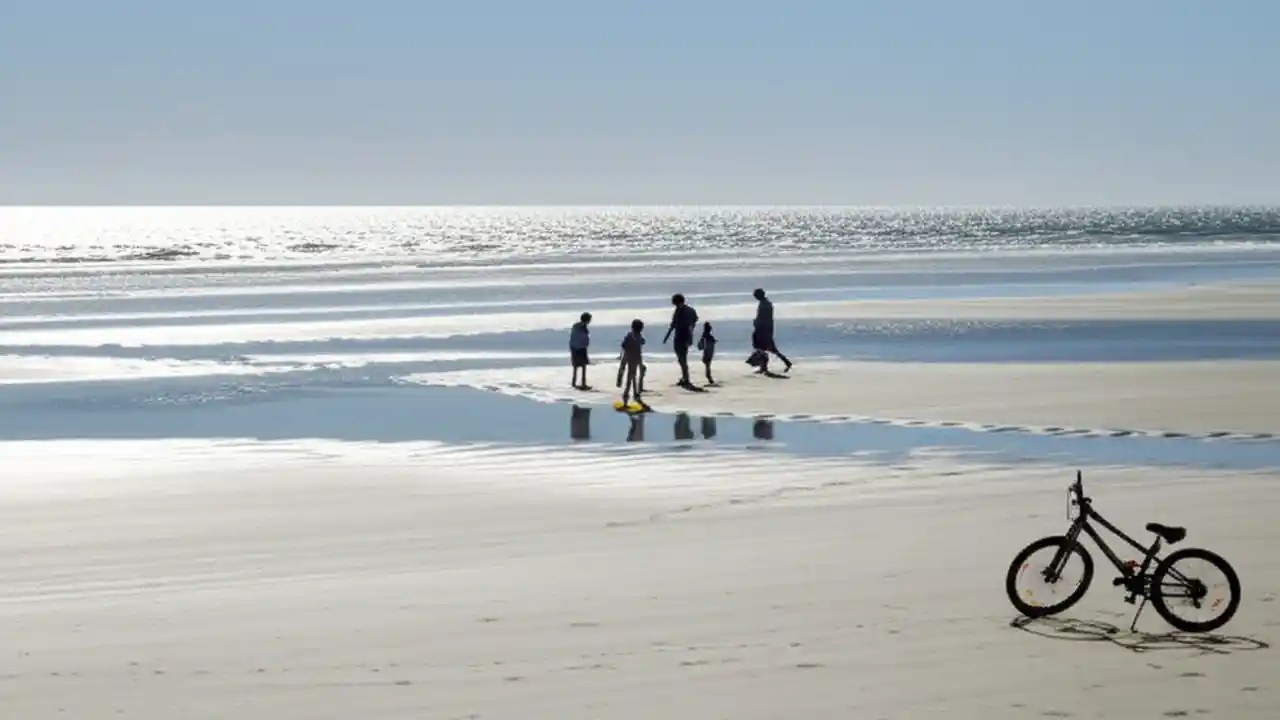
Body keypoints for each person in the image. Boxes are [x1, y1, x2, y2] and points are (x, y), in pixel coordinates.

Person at [662, 293, 699, 387]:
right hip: (681, 335)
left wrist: (690, 338)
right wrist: (668, 335)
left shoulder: (684, 311)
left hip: (682, 336)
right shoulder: (687, 310)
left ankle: (686, 378)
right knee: (682, 358)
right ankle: (685, 377)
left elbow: (689, 325)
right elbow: (674, 323)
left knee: (682, 358)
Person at [752, 288, 792, 374]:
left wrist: (757, 324)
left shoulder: (765, 305)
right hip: (766, 329)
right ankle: (764, 367)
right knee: (766, 349)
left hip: (764, 329)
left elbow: (763, 318)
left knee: (766, 349)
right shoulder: (765, 303)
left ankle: (766, 367)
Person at [617, 319, 648, 409]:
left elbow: (623, 345)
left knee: (629, 374)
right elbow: (642, 342)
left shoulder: (630, 335)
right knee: (632, 376)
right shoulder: (637, 336)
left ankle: (628, 391)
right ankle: (630, 394)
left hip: (629, 356)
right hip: (635, 358)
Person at [569, 312, 592, 389]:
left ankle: (574, 382)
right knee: (583, 366)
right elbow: (583, 338)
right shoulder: (583, 328)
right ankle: (583, 383)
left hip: (574, 348)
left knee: (576, 366)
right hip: (580, 348)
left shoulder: (575, 326)